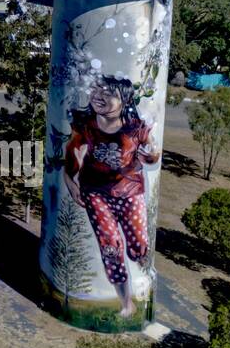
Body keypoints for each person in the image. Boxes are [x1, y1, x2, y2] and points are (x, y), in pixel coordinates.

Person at [63, 76, 160, 317]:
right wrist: (71, 182)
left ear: (124, 99)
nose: (99, 95)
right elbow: (72, 154)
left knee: (138, 245)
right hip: (95, 192)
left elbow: (153, 152)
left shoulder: (136, 127)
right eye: (97, 90)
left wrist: (150, 156)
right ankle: (127, 303)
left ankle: (143, 274)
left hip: (130, 191)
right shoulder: (85, 125)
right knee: (110, 246)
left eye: (109, 93)